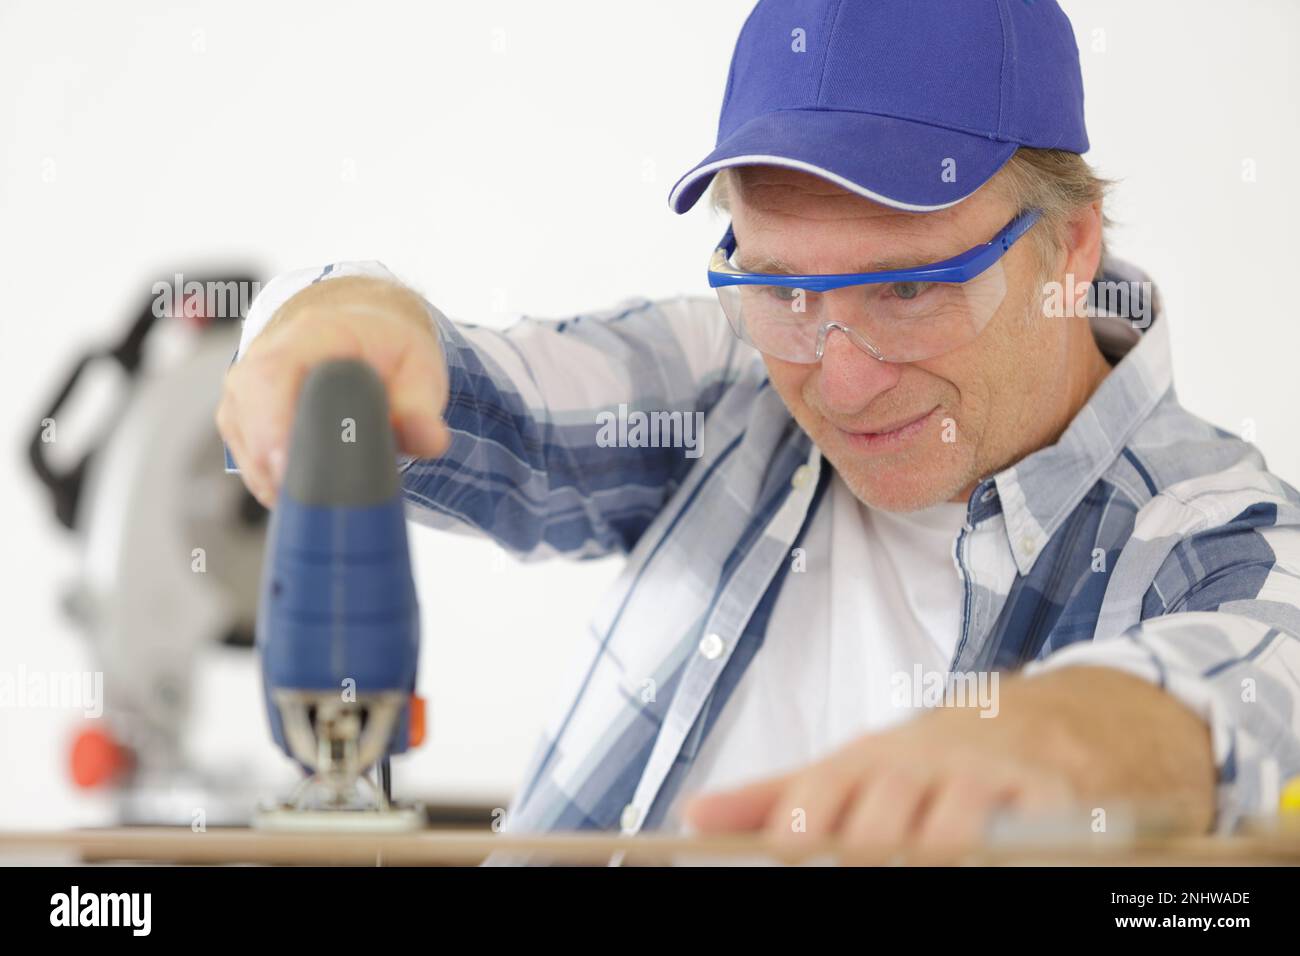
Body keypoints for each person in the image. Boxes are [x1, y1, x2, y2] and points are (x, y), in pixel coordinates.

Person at [217, 0, 1300, 860]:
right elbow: (461, 391)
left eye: (909, 288)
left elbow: (1263, 670)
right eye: (780, 286)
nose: (837, 375)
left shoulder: (1207, 530)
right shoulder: (725, 379)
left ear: (1070, 247)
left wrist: (1081, 734)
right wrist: (334, 334)